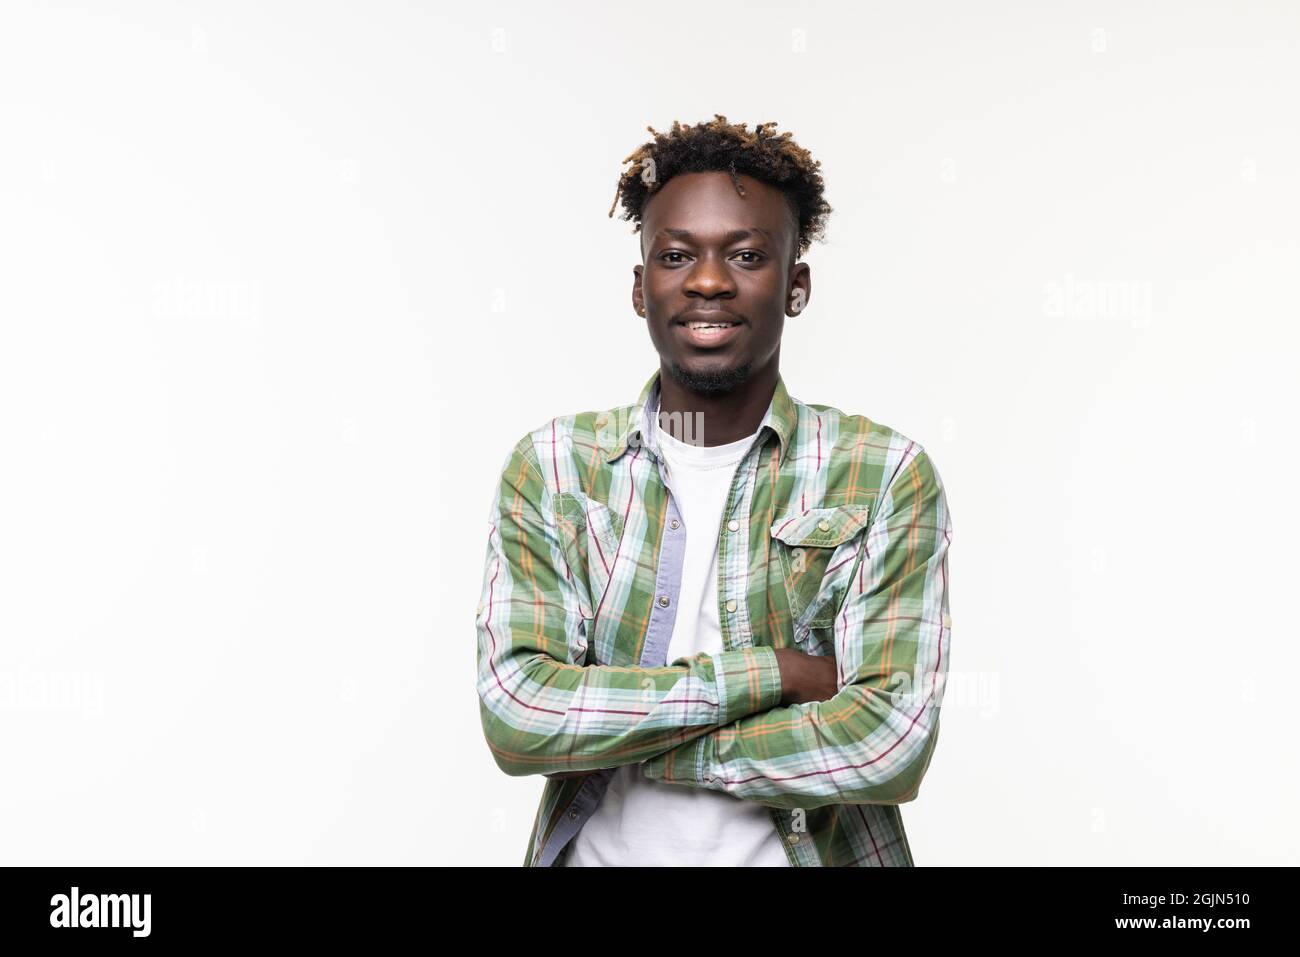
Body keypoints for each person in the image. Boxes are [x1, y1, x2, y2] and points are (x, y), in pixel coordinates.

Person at [474, 115, 953, 866]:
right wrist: (780, 673)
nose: (707, 279)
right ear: (642, 288)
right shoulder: (555, 467)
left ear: (795, 285)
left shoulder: (880, 473)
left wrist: (646, 748)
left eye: (746, 254)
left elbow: (888, 743)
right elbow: (519, 714)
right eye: (675, 255)